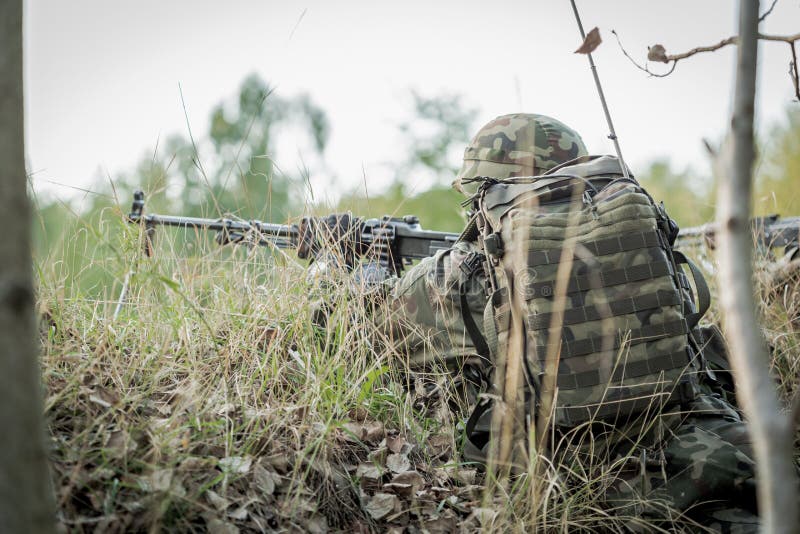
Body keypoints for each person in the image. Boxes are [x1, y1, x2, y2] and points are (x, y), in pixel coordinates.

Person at [308, 113, 760, 531]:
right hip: (730, 453)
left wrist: (335, 258)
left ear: (484, 190)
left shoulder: (463, 273)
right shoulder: (644, 233)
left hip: (608, 495)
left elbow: (338, 331)